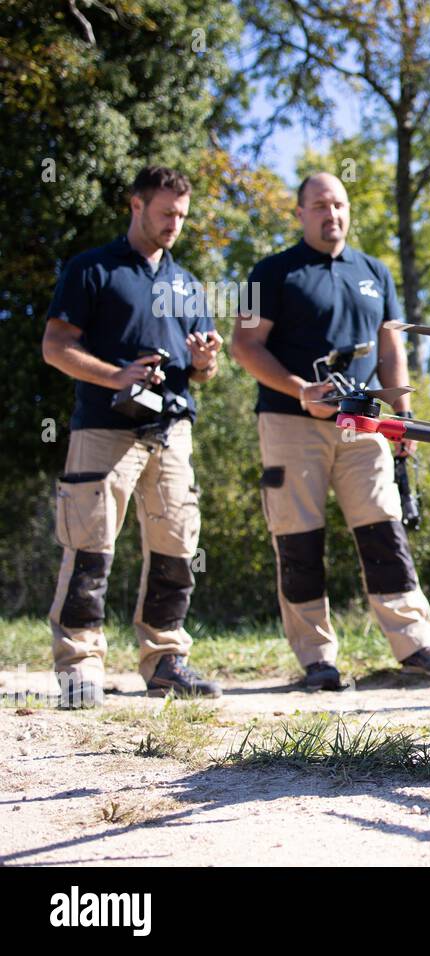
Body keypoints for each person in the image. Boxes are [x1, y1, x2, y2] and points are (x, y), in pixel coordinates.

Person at [231, 172, 430, 690]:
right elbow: (243, 346)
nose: (330, 214)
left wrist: (401, 415)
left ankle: (416, 645)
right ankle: (316, 659)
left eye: (338, 204)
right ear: (299, 213)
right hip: (290, 421)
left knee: (384, 525)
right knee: (299, 537)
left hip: (364, 422)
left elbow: (390, 349)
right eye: (318, 205)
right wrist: (299, 390)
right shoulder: (268, 272)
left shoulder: (376, 272)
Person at [41, 165, 224, 707]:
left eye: (183, 217)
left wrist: (205, 363)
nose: (175, 224)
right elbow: (55, 346)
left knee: (176, 547)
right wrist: (116, 375)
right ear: (136, 205)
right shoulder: (91, 269)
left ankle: (166, 661)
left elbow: (203, 373)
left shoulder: (187, 283)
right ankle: (79, 669)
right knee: (89, 544)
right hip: (104, 427)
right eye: (166, 212)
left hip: (172, 431)